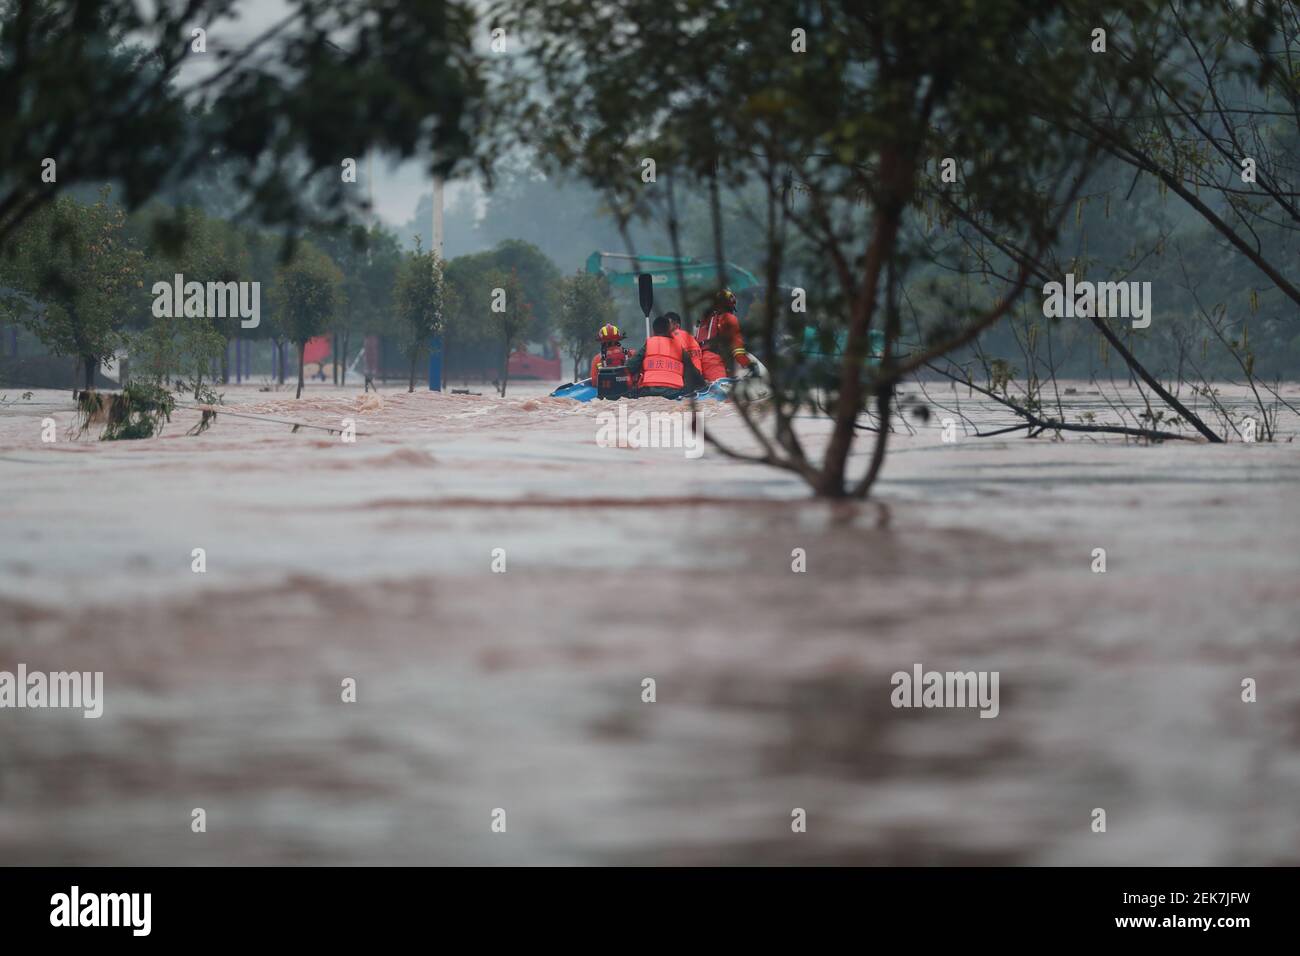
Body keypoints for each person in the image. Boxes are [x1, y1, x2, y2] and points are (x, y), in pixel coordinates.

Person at [628, 314, 705, 399]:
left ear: (653, 331)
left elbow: (631, 366)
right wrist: (704, 385)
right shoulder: (678, 347)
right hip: (674, 392)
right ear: (669, 331)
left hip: (649, 390)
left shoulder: (649, 344)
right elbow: (693, 373)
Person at [695, 288, 751, 383]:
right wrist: (748, 364)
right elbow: (738, 350)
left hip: (698, 361)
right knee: (723, 390)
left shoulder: (706, 321)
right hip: (713, 361)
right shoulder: (729, 319)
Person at [589, 324, 634, 399]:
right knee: (623, 410)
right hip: (629, 394)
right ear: (618, 339)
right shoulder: (631, 354)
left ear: (601, 341)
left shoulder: (597, 359)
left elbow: (594, 382)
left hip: (608, 397)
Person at [666, 312, 702, 376]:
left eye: (667, 324)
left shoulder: (672, 338)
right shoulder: (692, 339)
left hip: (682, 379)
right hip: (698, 379)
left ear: (677, 325)